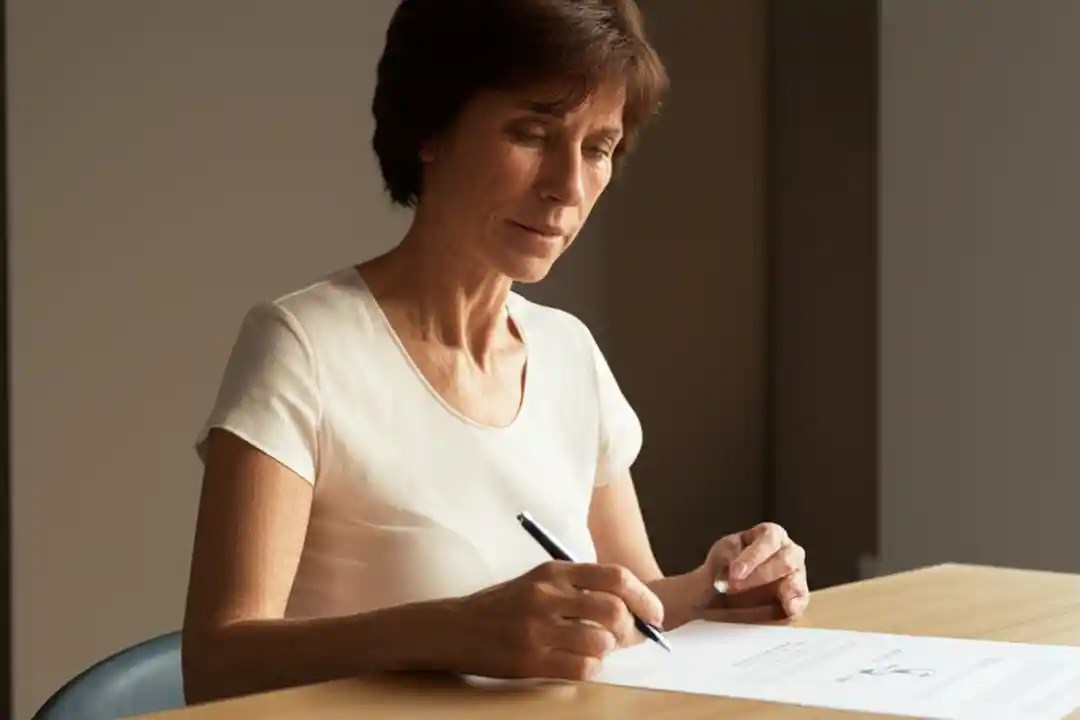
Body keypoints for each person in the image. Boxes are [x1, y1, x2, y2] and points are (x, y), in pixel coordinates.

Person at [181, 0, 809, 705]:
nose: (567, 188)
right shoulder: (302, 347)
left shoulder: (568, 353)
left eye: (597, 148)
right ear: (430, 127)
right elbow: (216, 662)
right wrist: (454, 629)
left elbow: (636, 611)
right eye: (533, 134)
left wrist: (717, 591)